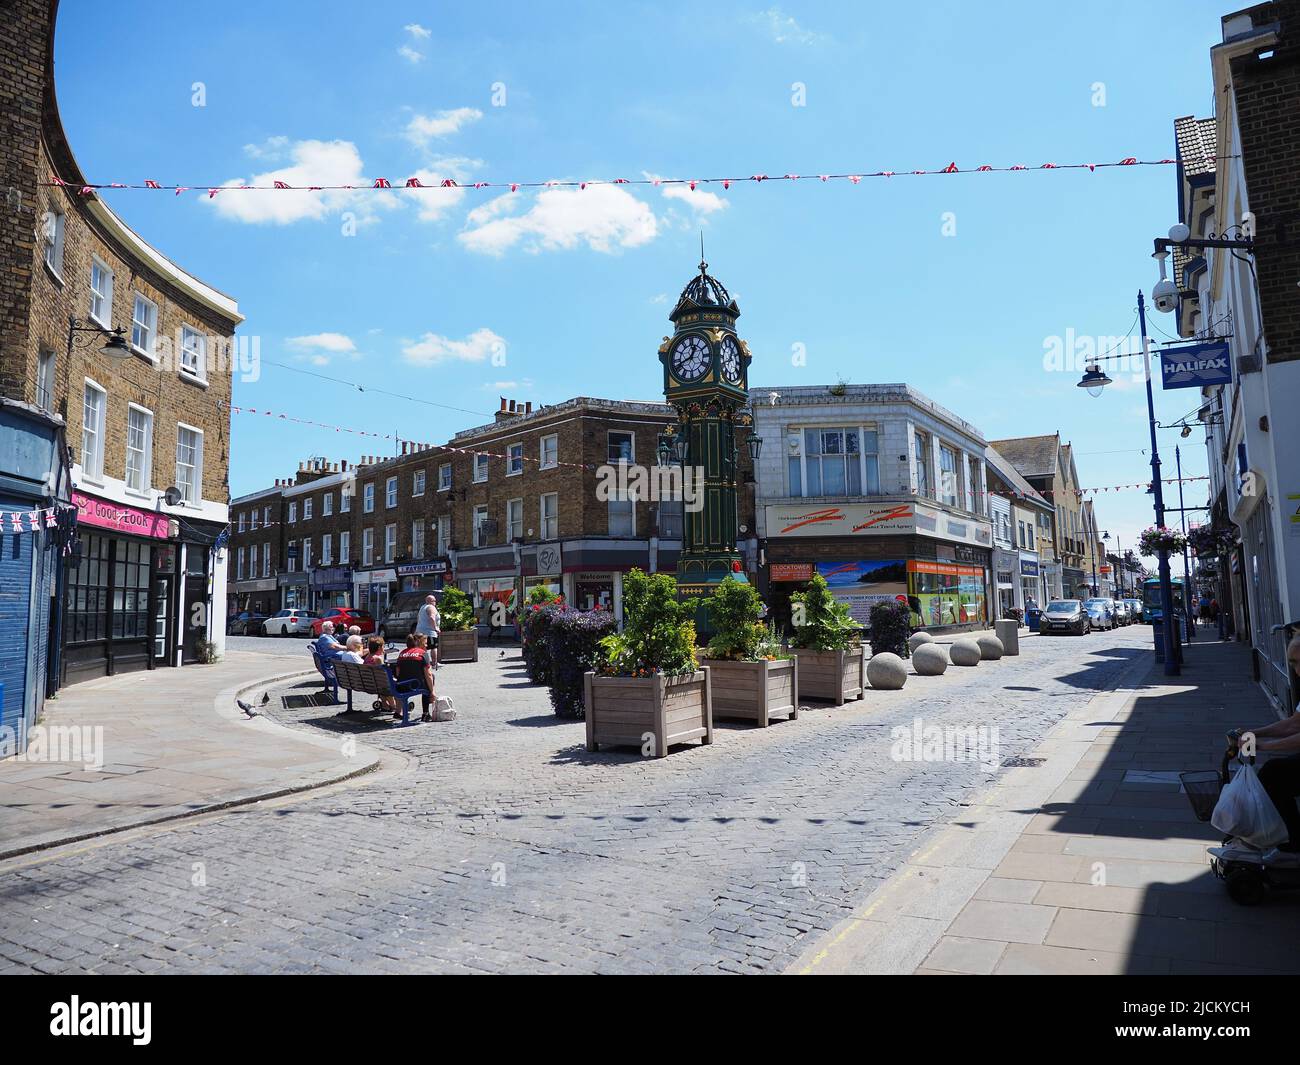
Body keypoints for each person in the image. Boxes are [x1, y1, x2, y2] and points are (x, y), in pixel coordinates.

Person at [393, 632, 436, 722]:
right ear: (419, 642)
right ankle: (425, 713)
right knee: (431, 678)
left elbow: (397, 672)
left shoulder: (402, 653)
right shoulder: (422, 653)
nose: (426, 645)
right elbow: (428, 674)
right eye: (425, 643)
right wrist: (432, 692)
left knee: (426, 679)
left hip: (401, 686)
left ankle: (398, 711)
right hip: (415, 685)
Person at [416, 594, 441, 668]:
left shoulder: (422, 607)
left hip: (420, 631)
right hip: (429, 632)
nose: (435, 602)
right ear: (431, 601)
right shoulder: (431, 607)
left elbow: (418, 618)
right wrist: (435, 628)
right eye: (434, 601)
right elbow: (432, 618)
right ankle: (434, 663)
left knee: (423, 648)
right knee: (433, 647)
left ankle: (422, 663)